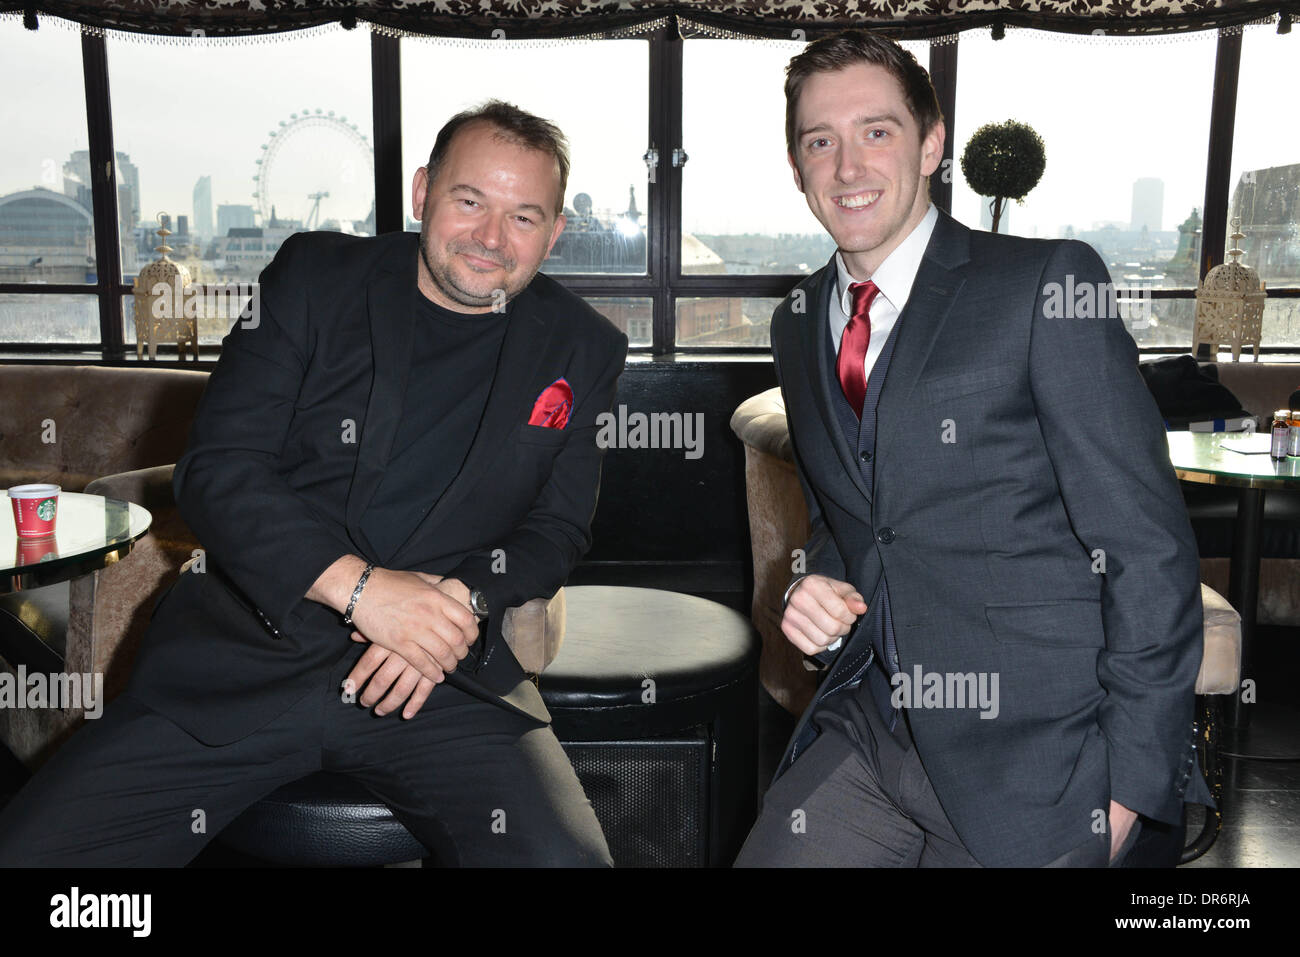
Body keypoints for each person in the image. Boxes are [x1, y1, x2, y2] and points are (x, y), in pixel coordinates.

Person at [0, 100, 627, 867]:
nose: (491, 238)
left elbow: (558, 530)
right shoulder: (314, 276)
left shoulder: (583, 346)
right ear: (423, 191)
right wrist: (368, 592)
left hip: (442, 682)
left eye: (524, 217)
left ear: (554, 232)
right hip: (247, 662)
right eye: (470, 201)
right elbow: (218, 470)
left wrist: (457, 605)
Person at [734, 31, 1213, 867]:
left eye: (876, 132)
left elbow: (1148, 547)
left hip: (1042, 758)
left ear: (931, 142)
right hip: (870, 730)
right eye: (821, 141)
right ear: (796, 165)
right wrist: (815, 584)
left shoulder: (1042, 287)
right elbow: (850, 520)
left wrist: (1127, 789)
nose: (848, 166)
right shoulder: (798, 321)